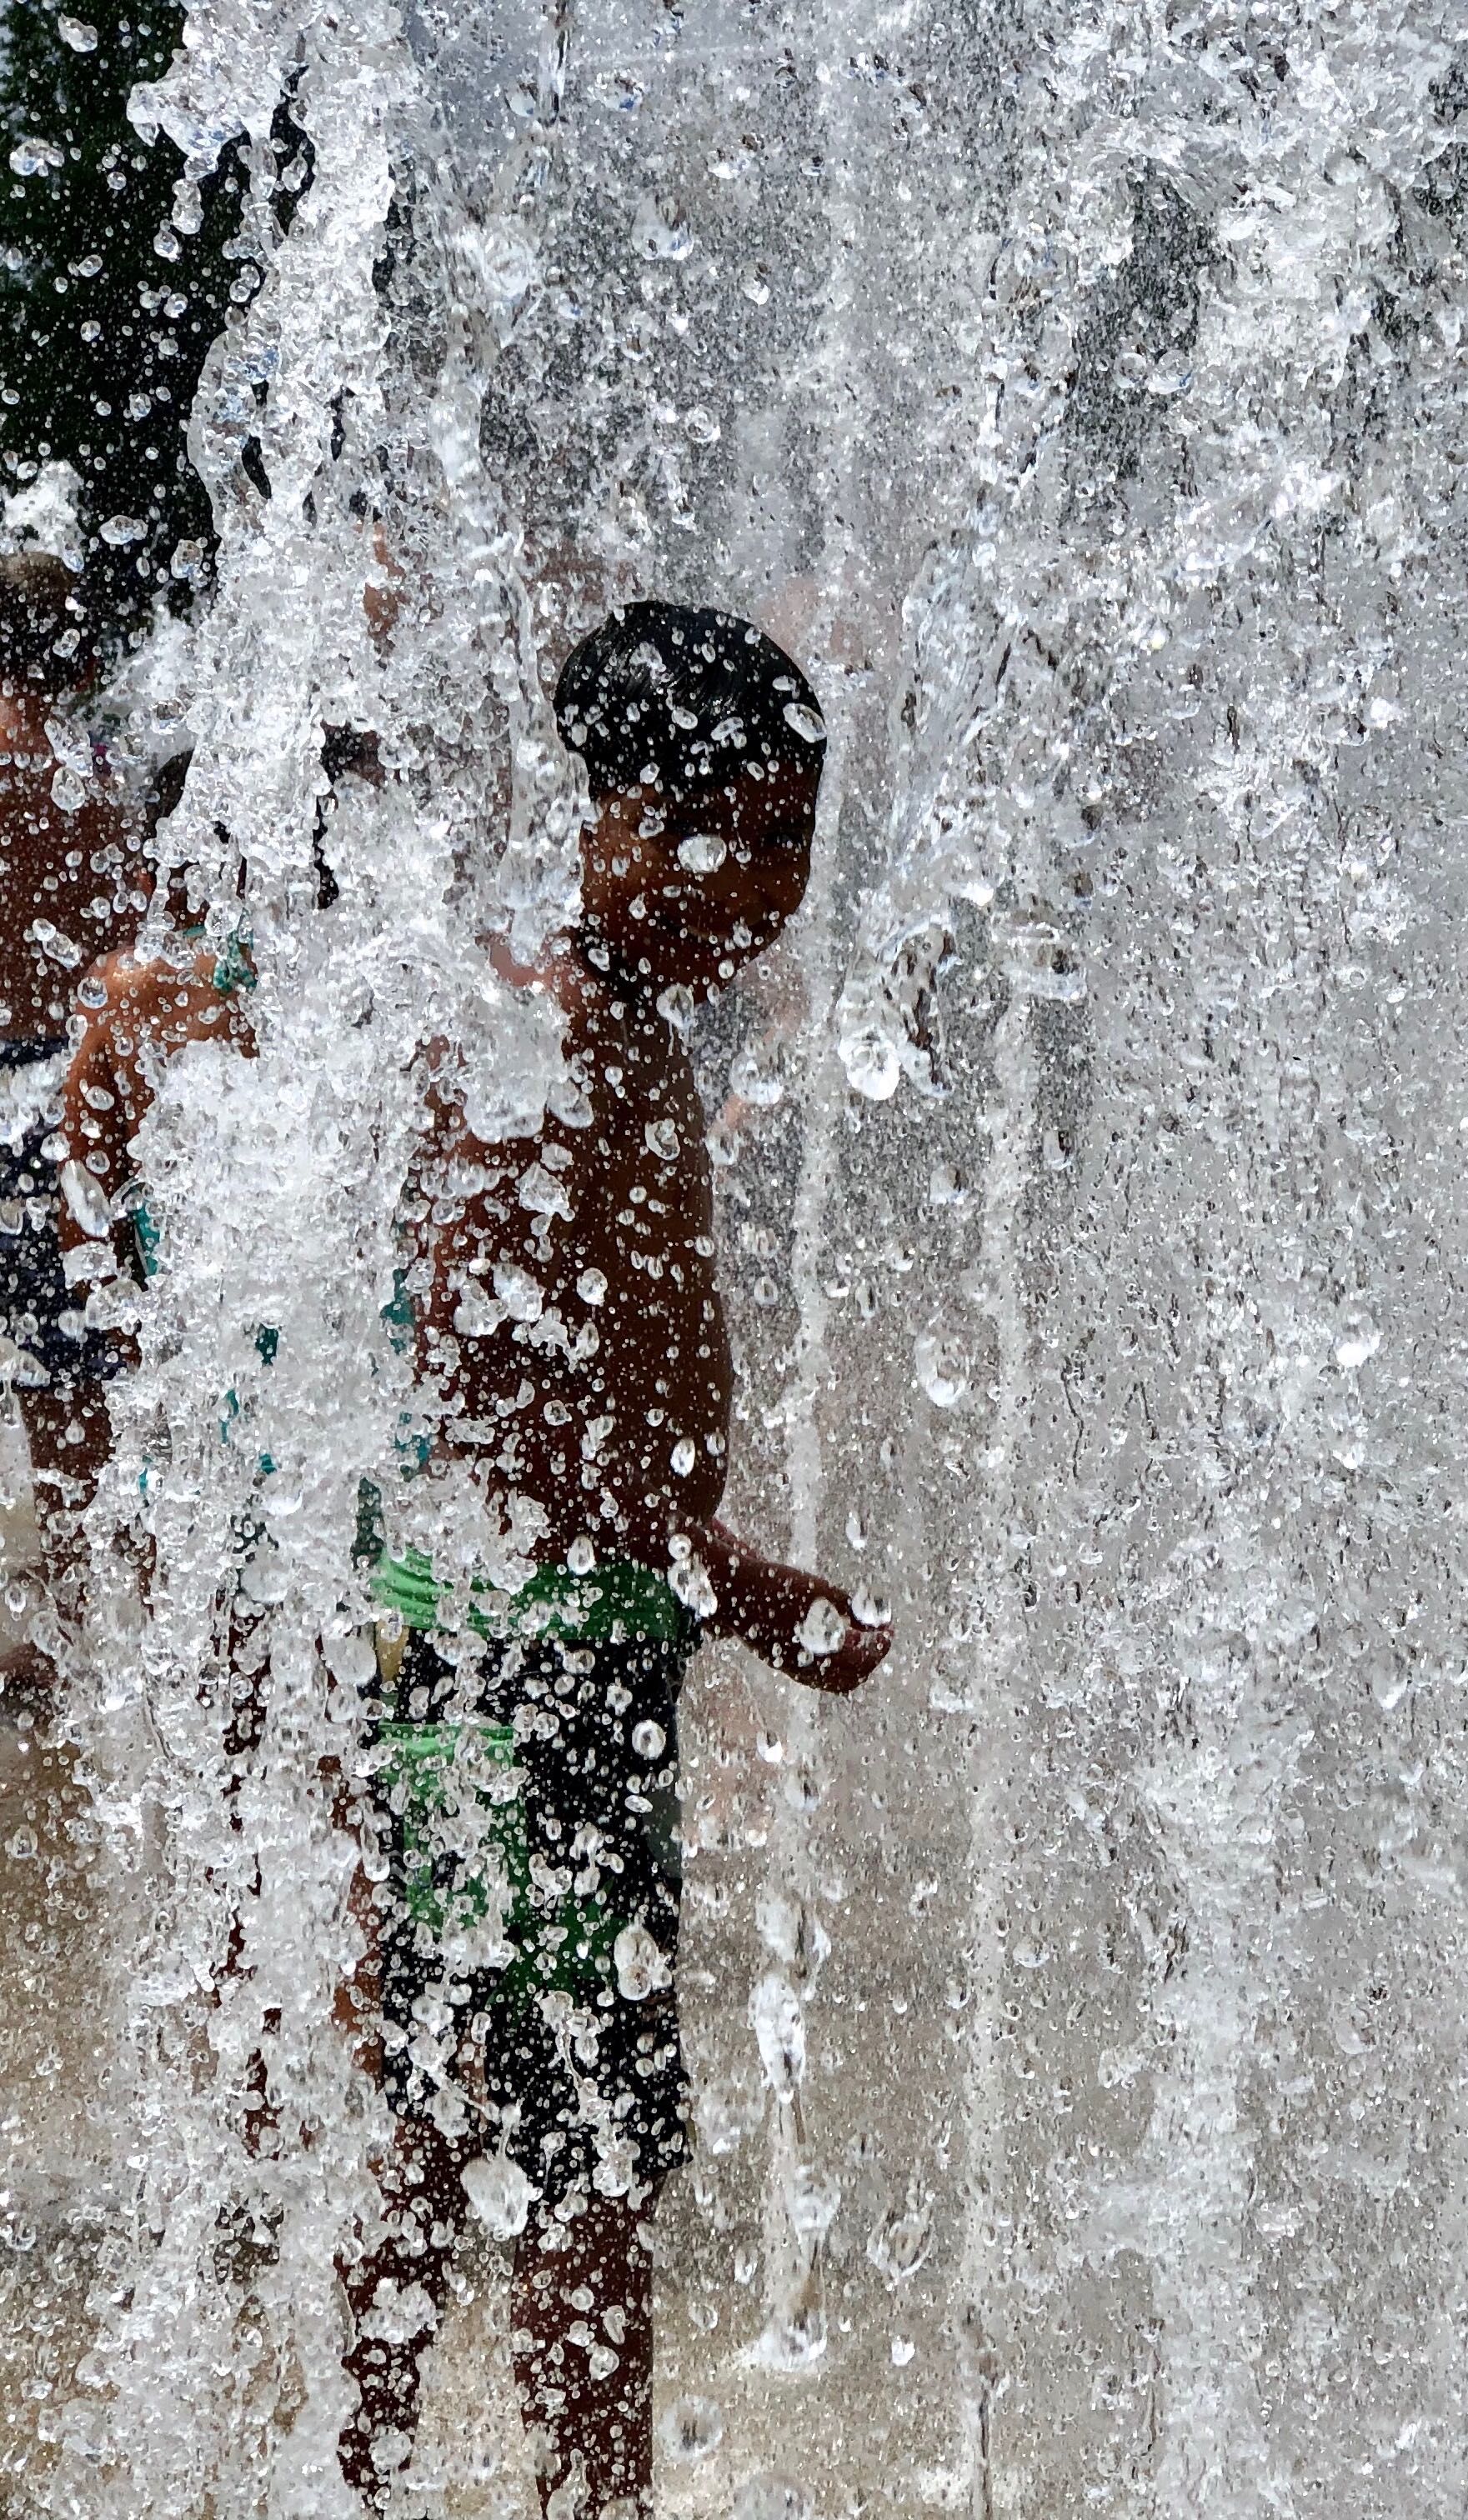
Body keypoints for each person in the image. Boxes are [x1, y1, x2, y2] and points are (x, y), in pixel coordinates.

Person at [339, 602, 889, 2520]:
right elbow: (491, 1415)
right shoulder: (559, 1035)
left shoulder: (609, 1025)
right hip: (526, 1636)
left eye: (798, 854)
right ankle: (572, 2495)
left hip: (524, 1625)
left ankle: (382, 2462)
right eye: (740, 841)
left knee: (457, 2073)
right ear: (618, 820)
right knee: (572, 2118)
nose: (771, 896)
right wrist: (745, 1589)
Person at [0, 549, 149, 1700]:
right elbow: (126, 937)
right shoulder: (92, 774)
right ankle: (73, 1629)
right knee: (68, 1385)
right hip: (63, 1093)